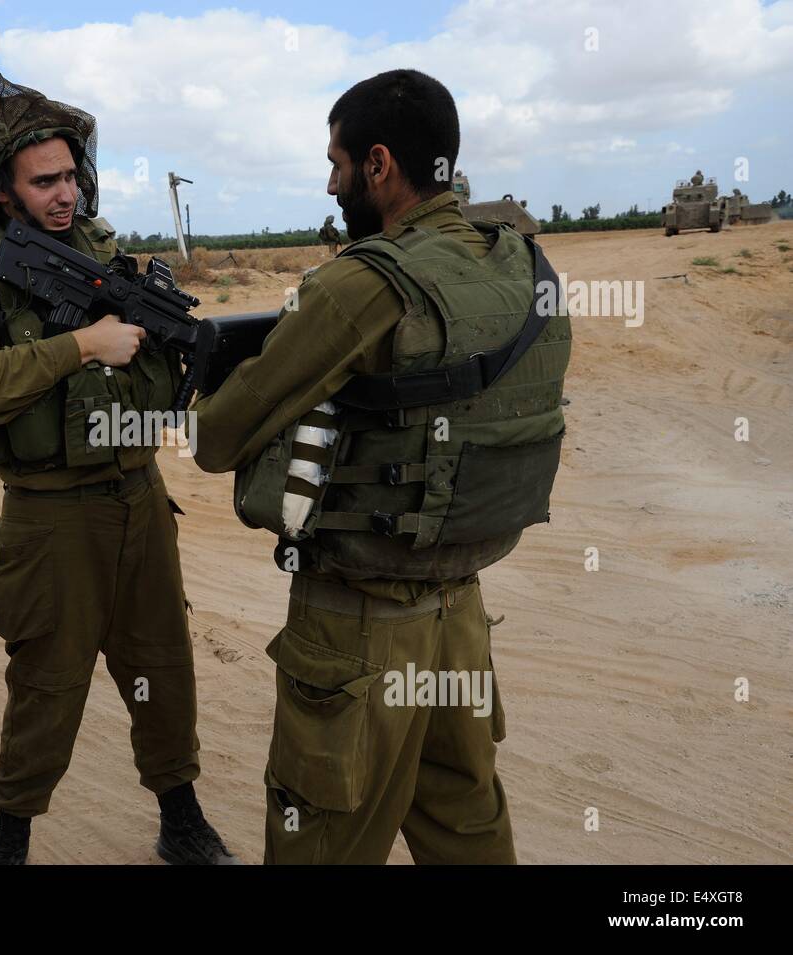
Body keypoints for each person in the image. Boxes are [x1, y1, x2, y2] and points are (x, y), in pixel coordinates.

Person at [190, 69, 571, 864]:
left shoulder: (360, 285)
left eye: (337, 162)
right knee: (466, 830)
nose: (331, 183)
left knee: (319, 845)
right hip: (460, 617)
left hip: (357, 632)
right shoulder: (522, 266)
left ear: (379, 164)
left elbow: (216, 438)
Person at [0, 72, 234, 865]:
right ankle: (11, 834)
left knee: (162, 670)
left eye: (71, 175)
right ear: (4, 191)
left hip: (140, 497)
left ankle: (182, 819)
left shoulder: (107, 255)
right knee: (47, 687)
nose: (65, 193)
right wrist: (80, 346)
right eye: (44, 181)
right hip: (49, 514)